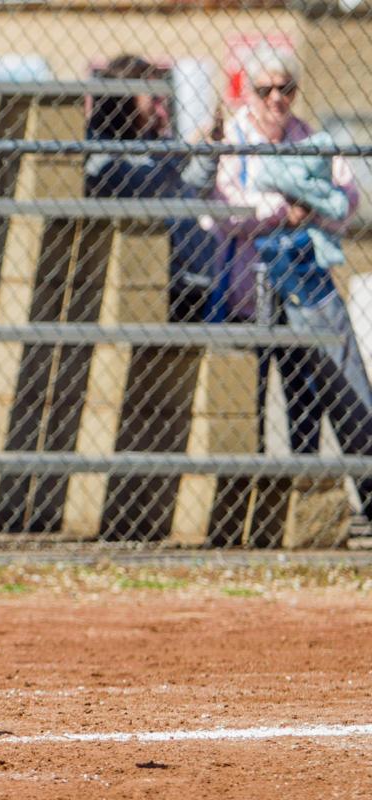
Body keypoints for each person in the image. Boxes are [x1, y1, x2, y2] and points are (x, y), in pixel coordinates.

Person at [210, 44, 372, 522]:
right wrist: (285, 211)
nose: (277, 99)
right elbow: (229, 209)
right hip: (249, 285)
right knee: (251, 393)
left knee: (308, 388)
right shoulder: (236, 137)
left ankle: (303, 504)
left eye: (287, 89)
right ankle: (252, 507)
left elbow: (346, 200)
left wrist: (311, 208)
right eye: (266, 89)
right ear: (250, 91)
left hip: (304, 279)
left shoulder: (310, 138)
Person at [85, 54, 218, 322]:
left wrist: (208, 150)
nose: (161, 106)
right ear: (124, 99)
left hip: (193, 279)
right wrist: (183, 150)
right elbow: (141, 184)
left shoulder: (156, 144)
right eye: (153, 97)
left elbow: (191, 186)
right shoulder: (102, 151)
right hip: (154, 283)